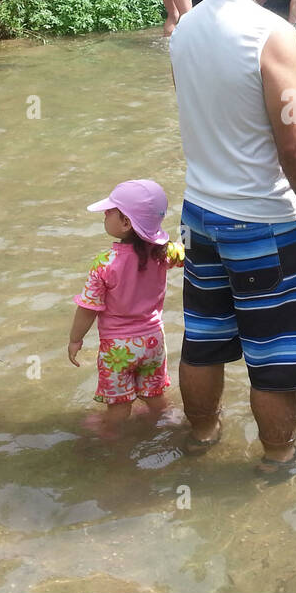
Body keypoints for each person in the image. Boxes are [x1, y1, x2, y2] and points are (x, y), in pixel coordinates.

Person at [168, 0, 296, 477]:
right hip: (264, 220)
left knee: (203, 339)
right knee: (276, 358)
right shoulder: (274, 33)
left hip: (200, 214)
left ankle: (200, 436)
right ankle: (279, 458)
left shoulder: (185, 27)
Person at [68, 179, 184, 425]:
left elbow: (88, 308)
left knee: (119, 405)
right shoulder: (164, 253)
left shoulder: (105, 263)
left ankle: (113, 440)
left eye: (110, 211)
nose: (105, 214)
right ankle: (167, 421)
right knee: (154, 396)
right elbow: (187, 255)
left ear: (125, 223)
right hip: (153, 341)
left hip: (118, 349)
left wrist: (75, 339)